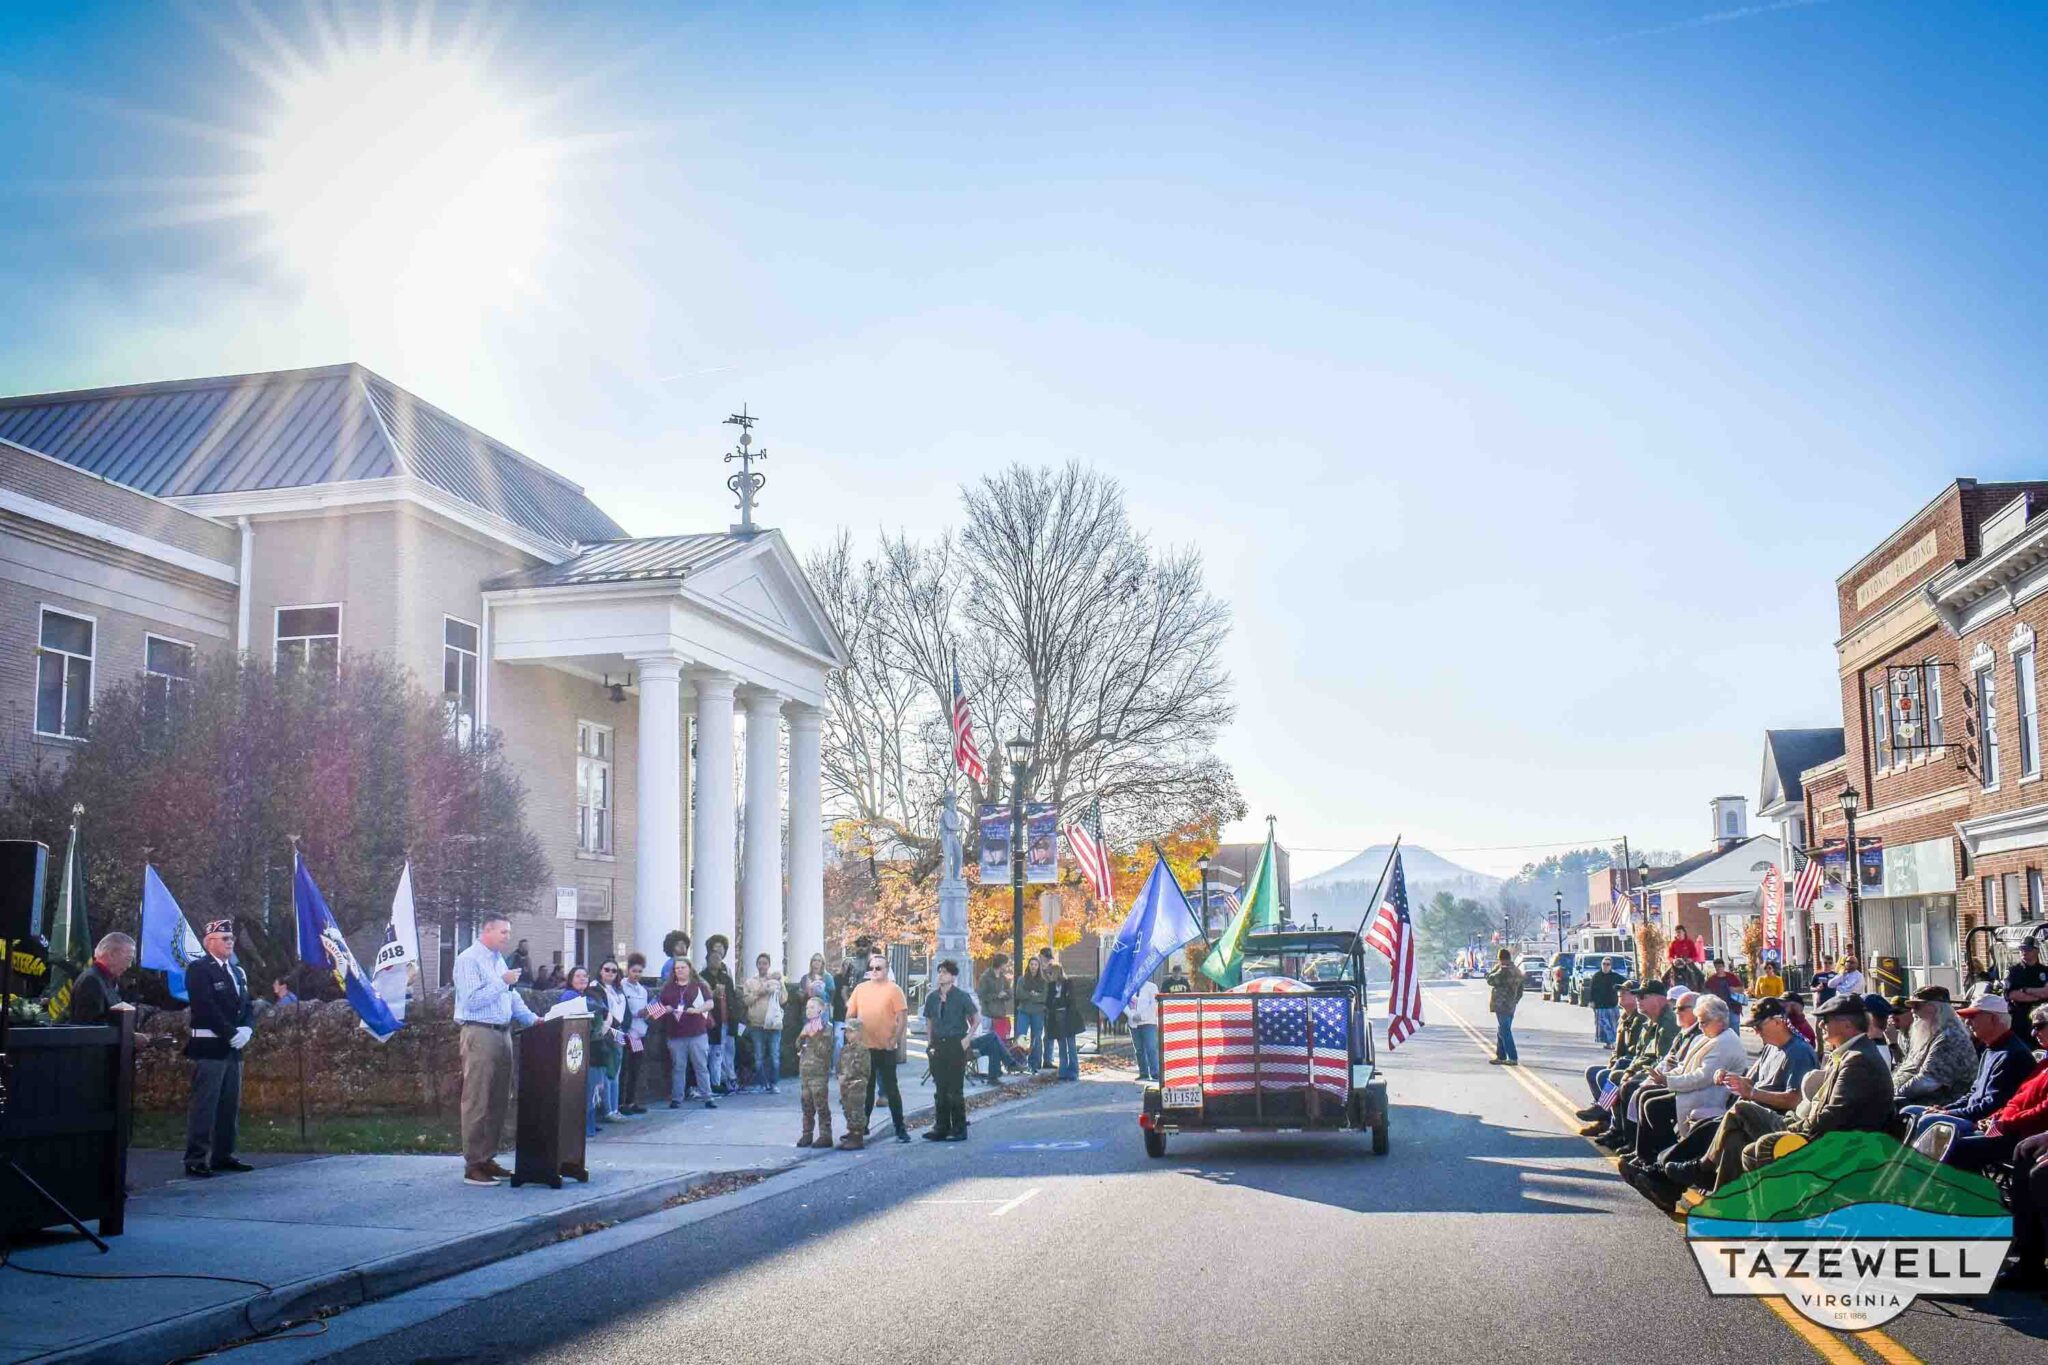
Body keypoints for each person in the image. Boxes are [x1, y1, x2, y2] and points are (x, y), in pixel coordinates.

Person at [1653, 997, 1820, 1203]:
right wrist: (1728, 1076)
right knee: (1727, 1137)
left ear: (1778, 1022)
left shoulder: (1799, 1052)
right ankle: (1720, 1198)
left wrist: (1752, 1094)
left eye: (1758, 1026)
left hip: (1777, 1120)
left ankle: (1687, 1170)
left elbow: (1795, 1100)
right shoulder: (1770, 1047)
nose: (1756, 1032)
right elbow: (1750, 1081)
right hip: (1751, 1115)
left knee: (1720, 1124)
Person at [1738, 993, 1896, 1174]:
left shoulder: (1858, 1059)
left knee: (1759, 1147)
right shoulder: (1853, 1052)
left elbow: (1832, 1115)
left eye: (1826, 1020)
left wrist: (1794, 1128)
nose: (1821, 1025)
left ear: (1847, 1025)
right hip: (1834, 1138)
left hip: (1846, 1150)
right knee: (1743, 1132)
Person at [452, 912, 538, 1186]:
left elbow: (511, 997)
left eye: (509, 932)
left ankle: (487, 1157)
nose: (507, 937)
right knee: (477, 1099)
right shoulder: (468, 959)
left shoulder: (498, 960)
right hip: (480, 1032)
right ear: (487, 930)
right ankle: (473, 1165)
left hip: (503, 1033)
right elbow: (471, 1000)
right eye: (503, 932)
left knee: (499, 1100)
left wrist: (533, 1020)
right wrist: (503, 982)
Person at [1901, 992, 2040, 1152]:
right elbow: (1973, 1093)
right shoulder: (1991, 1049)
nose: (1967, 1022)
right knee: (1909, 1112)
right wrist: (1947, 1109)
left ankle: (1917, 1166)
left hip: (1987, 1123)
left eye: (1973, 1017)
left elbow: (1990, 1106)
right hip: (1973, 1115)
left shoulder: (2012, 1055)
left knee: (1929, 1121)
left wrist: (1949, 1112)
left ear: (1994, 1019)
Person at [181, 917, 255, 1180]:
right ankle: (196, 1158)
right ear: (209, 942)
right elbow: (205, 1007)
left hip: (233, 1048)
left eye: (231, 938)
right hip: (210, 1046)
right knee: (205, 1106)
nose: (230, 942)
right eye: (224, 938)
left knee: (229, 1105)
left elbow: (247, 1005)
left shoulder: (237, 972)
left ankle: (224, 1154)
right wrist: (231, 1033)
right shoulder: (199, 969)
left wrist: (247, 1029)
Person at [845, 952, 910, 1143]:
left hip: (886, 1047)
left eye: (878, 968)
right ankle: (862, 1127)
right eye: (871, 968)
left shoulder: (894, 990)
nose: (874, 971)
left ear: (886, 970)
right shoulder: (860, 989)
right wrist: (852, 1037)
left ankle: (900, 1129)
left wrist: (895, 1039)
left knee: (891, 1089)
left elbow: (902, 1018)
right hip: (865, 1048)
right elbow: (850, 1015)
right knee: (866, 1089)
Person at [922, 959, 978, 1141]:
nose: (941, 975)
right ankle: (941, 1126)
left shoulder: (961, 996)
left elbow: (975, 1018)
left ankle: (959, 1128)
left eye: (945, 972)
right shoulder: (932, 997)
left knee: (954, 1089)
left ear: (953, 977)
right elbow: (929, 1020)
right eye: (939, 972)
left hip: (956, 1042)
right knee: (940, 1088)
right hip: (938, 1044)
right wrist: (929, 1042)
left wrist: (967, 1039)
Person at [1894, 985, 1978, 1105]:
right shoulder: (1932, 1034)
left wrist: (1895, 1094)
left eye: (1917, 1006)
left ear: (1933, 1008)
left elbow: (1928, 1081)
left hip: (1945, 1105)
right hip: (1928, 1101)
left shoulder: (1949, 1037)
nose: (1913, 1011)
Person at [652, 958, 717, 1110]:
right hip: (675, 1034)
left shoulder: (699, 986)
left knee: (701, 1066)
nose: (680, 970)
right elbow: (657, 1009)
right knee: (678, 1067)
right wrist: (665, 1009)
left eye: (683, 967)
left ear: (690, 969)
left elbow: (710, 1003)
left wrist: (698, 1010)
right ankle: (677, 1098)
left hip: (697, 1033)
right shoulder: (668, 988)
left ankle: (707, 1097)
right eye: (677, 968)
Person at [555, 967, 605, 1138]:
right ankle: (584, 1127)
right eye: (578, 976)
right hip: (576, 1047)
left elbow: (602, 1008)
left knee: (592, 1087)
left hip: (591, 1047)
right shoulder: (569, 996)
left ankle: (590, 1123)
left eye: (585, 975)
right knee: (583, 1089)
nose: (582, 978)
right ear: (570, 979)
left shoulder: (589, 995)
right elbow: (597, 1007)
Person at [68, 932, 136, 1025]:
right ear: (112, 954)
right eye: (128, 959)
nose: (129, 965)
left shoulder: (106, 980)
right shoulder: (91, 981)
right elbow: (90, 1027)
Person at [795, 997, 835, 1148]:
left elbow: (823, 1050)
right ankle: (807, 1134)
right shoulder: (807, 1026)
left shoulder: (826, 1028)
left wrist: (812, 1035)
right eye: (807, 1007)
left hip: (818, 1072)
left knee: (821, 1105)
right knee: (806, 1105)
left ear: (821, 1009)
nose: (808, 1010)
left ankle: (825, 1135)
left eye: (812, 1007)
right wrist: (802, 1036)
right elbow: (798, 1046)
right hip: (805, 1072)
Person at [700, 935, 739, 1095]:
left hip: (727, 1020)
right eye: (713, 957)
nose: (716, 960)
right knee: (713, 1051)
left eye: (719, 958)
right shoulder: (702, 977)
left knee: (727, 1050)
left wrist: (735, 1017)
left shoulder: (726, 977)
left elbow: (733, 998)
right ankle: (715, 1082)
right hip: (711, 1020)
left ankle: (728, 1079)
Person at [743, 952, 786, 1094]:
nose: (762, 966)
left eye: (765, 963)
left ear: (769, 965)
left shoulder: (775, 980)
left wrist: (780, 984)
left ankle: (774, 1084)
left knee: (774, 1056)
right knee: (758, 1057)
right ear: (757, 965)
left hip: (774, 1024)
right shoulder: (750, 982)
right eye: (760, 963)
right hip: (757, 1024)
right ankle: (762, 1084)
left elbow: (783, 999)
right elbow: (746, 1001)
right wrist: (761, 992)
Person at [592, 961, 629, 1122]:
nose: (610, 973)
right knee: (608, 1072)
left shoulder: (618, 990)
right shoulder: (595, 988)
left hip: (619, 1032)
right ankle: (608, 1111)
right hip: (607, 1033)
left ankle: (615, 1109)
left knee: (617, 1073)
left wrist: (623, 1029)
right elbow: (601, 1011)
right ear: (600, 971)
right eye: (606, 969)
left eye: (614, 970)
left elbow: (626, 1013)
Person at [619, 954, 652, 1115]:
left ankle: (631, 1101)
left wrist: (647, 1013)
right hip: (627, 1033)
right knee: (624, 1068)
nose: (637, 974)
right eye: (634, 971)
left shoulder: (643, 990)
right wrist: (634, 1014)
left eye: (639, 971)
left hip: (639, 1034)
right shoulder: (621, 987)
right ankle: (621, 1103)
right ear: (628, 970)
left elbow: (646, 1010)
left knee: (635, 1068)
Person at [836, 1012, 874, 1150]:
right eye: (846, 1032)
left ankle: (857, 1137)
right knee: (847, 1108)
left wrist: (847, 1075)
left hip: (857, 1084)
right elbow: (839, 1064)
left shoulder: (862, 1050)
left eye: (851, 1032)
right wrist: (839, 1075)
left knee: (856, 1110)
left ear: (858, 1033)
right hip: (845, 1084)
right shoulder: (845, 1049)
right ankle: (851, 1131)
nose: (847, 1035)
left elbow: (862, 1068)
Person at [1044, 961, 1083, 1080]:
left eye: (1051, 973)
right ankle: (1063, 1071)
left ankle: (1074, 1071)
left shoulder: (1068, 983)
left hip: (1068, 1016)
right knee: (1061, 1046)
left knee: (1071, 1045)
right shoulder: (1051, 985)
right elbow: (1049, 1002)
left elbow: (1071, 1000)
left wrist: (1059, 1000)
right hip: (1056, 1017)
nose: (1050, 975)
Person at [1486, 948, 1524, 1066]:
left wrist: (1498, 970)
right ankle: (1501, 1056)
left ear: (1501, 959)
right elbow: (1521, 990)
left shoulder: (1504, 971)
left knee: (1505, 1030)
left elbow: (1490, 980)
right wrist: (1515, 1001)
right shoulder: (1517, 970)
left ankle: (1512, 1057)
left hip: (1502, 1004)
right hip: (1510, 1004)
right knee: (1501, 1030)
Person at [1017, 956, 1050, 1071]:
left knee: (1036, 1037)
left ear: (1038, 966)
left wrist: (1030, 996)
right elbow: (1019, 994)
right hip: (1024, 1011)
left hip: (1038, 1012)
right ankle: (1020, 1062)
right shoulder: (1022, 979)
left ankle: (1035, 1063)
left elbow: (1044, 997)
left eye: (1036, 964)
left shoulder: (1043, 981)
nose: (1033, 967)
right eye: (1031, 964)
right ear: (1028, 965)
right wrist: (1032, 995)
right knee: (1022, 1036)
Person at [1127, 975, 1162, 1083]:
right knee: (1139, 1049)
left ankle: (1155, 1073)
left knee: (1151, 1047)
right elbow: (1124, 1004)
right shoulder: (1129, 987)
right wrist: (1132, 1015)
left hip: (1148, 1022)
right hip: (1133, 1023)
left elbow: (1153, 1005)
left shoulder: (1152, 987)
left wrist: (1142, 1016)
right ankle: (1143, 1073)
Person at [1585, 957, 1625, 1045]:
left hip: (1612, 1005)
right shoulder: (1596, 976)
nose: (1605, 966)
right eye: (1604, 964)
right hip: (1600, 1006)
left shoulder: (1615, 976)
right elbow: (1592, 990)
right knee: (1604, 1026)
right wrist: (1591, 1001)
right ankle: (1608, 1043)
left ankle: (1614, 1042)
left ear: (1611, 966)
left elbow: (1626, 982)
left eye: (1608, 964)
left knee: (1614, 1025)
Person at [978, 953, 1015, 1046]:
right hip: (988, 1015)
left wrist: (1005, 995)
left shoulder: (1003, 978)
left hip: (1000, 1014)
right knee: (988, 1041)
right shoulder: (985, 977)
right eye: (1006, 964)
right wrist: (997, 996)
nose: (1007, 966)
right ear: (1001, 964)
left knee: (1000, 1042)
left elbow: (1010, 993)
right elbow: (982, 996)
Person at [2008, 937, 2048, 1011]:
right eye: (2021, 948)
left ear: (2037, 951)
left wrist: (2025, 990)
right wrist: (2037, 998)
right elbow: (2012, 994)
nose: (2024, 951)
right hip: (2020, 1013)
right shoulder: (2013, 971)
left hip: (2042, 1013)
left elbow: (2046, 992)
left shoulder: (2045, 971)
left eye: (2028, 948)